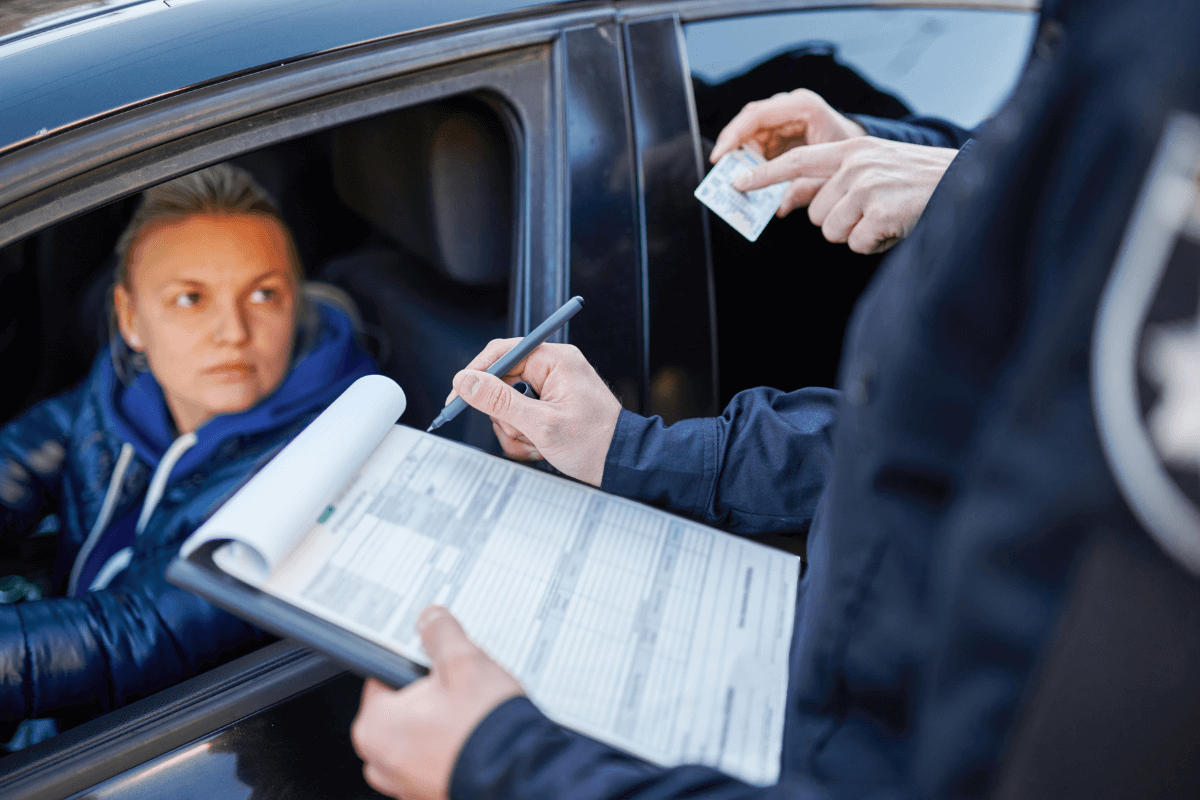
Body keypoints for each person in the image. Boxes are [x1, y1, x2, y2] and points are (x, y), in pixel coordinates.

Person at [351, 0, 1200, 798]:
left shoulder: (1164, 90)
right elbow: (921, 441)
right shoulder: (1120, 61)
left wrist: (506, 767)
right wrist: (631, 448)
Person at [0, 164, 377, 725]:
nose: (233, 331)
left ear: (294, 304)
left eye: (264, 293)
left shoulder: (327, 464)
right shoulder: (129, 383)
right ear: (131, 318)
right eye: (190, 299)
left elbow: (131, 636)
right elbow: (21, 460)